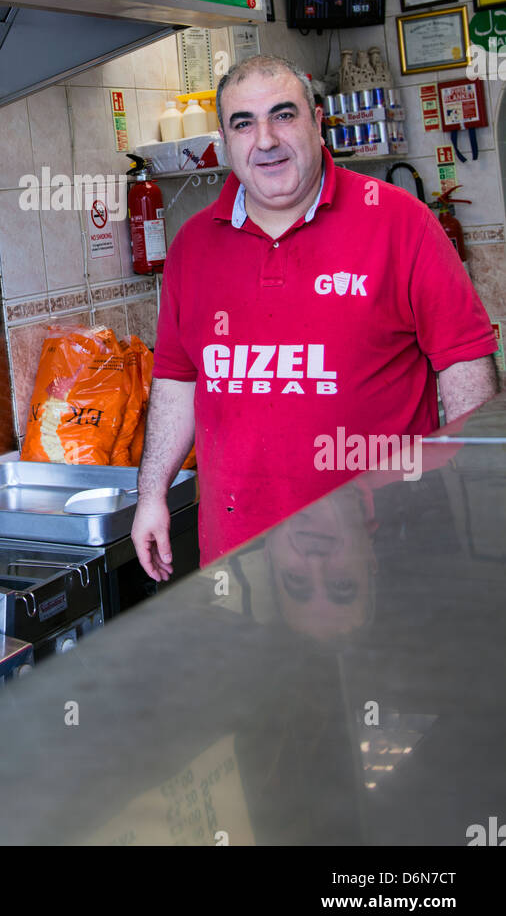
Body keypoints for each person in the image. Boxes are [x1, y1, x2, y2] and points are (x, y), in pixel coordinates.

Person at [131, 55, 499, 579]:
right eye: (244, 123)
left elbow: (466, 367)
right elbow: (176, 378)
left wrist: (480, 488)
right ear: (224, 139)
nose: (265, 140)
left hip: (390, 551)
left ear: (317, 121)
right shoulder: (192, 247)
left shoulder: (402, 223)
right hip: (243, 558)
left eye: (283, 115)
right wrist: (151, 495)